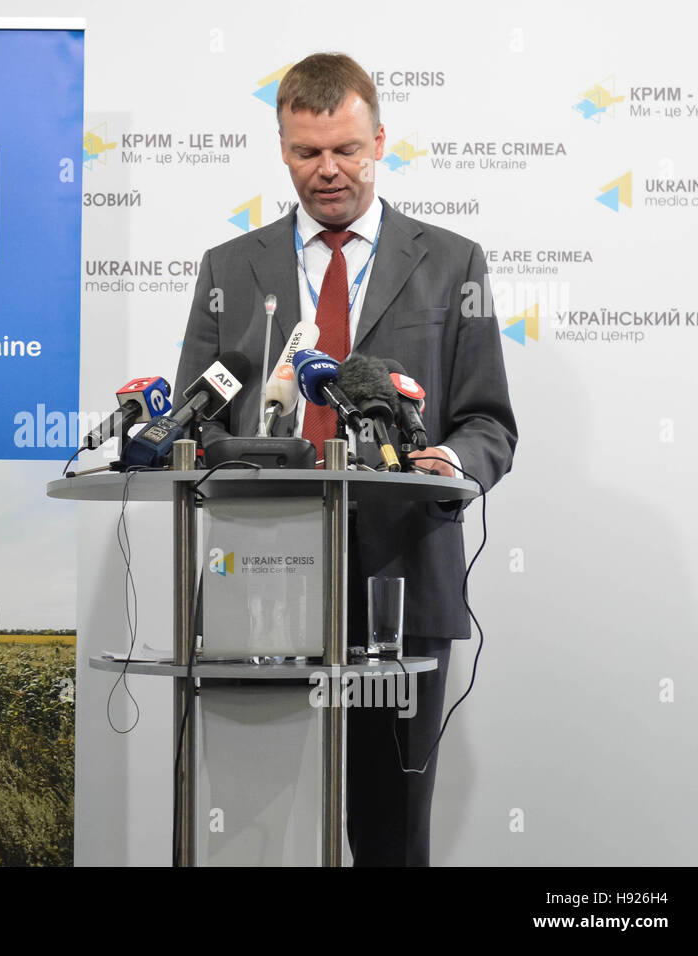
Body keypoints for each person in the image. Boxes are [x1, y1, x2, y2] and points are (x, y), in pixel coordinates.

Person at [173, 52, 517, 866]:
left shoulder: (451, 263)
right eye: (305, 152)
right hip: (258, 580)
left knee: (392, 834)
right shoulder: (230, 269)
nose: (327, 170)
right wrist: (254, 451)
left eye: (346, 150)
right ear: (282, 150)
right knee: (251, 826)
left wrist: (452, 461)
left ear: (379, 143)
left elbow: (488, 422)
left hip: (403, 581)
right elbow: (196, 425)